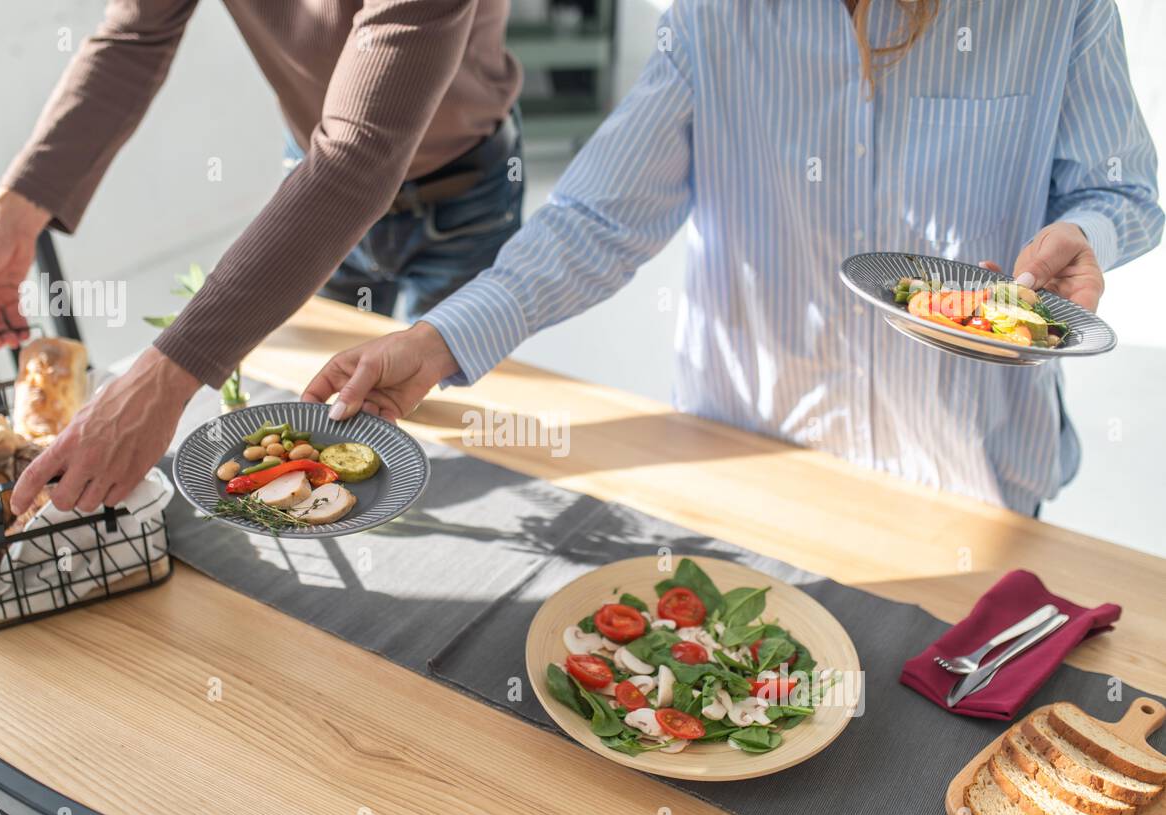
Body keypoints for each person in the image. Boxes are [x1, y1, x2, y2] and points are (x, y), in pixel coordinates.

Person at [304, 0, 1163, 515]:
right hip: (753, 467)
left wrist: (1090, 234)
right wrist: (438, 340)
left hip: (976, 477)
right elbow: (596, 220)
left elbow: (1122, 188)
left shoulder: (1057, 8)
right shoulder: (717, 16)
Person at [0, 1, 522, 516]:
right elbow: (133, 37)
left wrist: (161, 380)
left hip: (460, 190)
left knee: (448, 443)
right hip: (313, 187)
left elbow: (360, 152)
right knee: (323, 429)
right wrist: (15, 212)